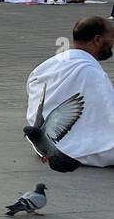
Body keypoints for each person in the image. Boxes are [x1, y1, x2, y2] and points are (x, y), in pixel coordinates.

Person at [25, 17, 114, 167]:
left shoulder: (45, 67)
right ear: (98, 39)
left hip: (43, 142)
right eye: (112, 37)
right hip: (80, 150)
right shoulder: (91, 73)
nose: (113, 43)